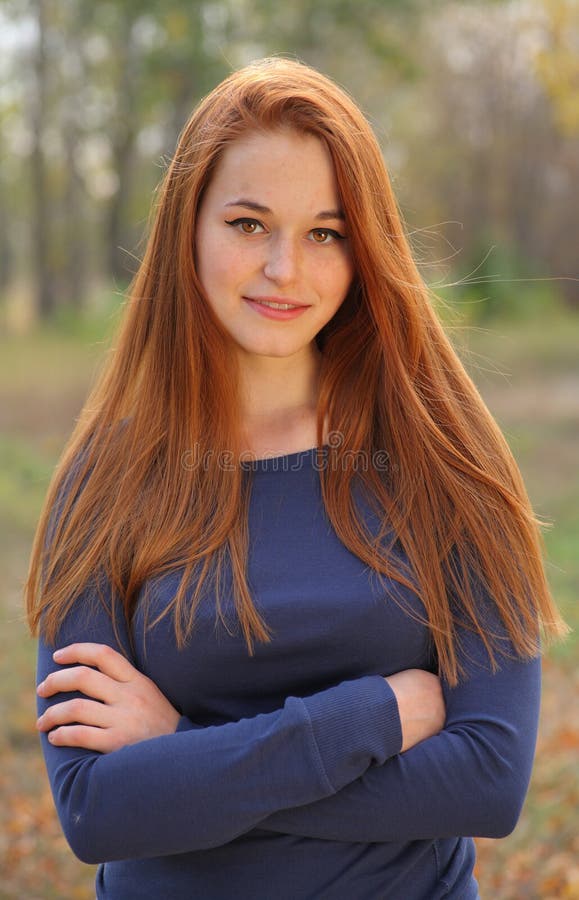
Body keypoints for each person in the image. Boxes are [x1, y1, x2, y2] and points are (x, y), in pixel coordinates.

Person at [26, 56, 567, 900]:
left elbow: (487, 781)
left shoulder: (441, 456)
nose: (286, 269)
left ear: (363, 250)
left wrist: (177, 747)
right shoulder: (106, 478)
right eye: (248, 224)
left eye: (324, 232)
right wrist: (374, 716)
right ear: (188, 227)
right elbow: (99, 809)